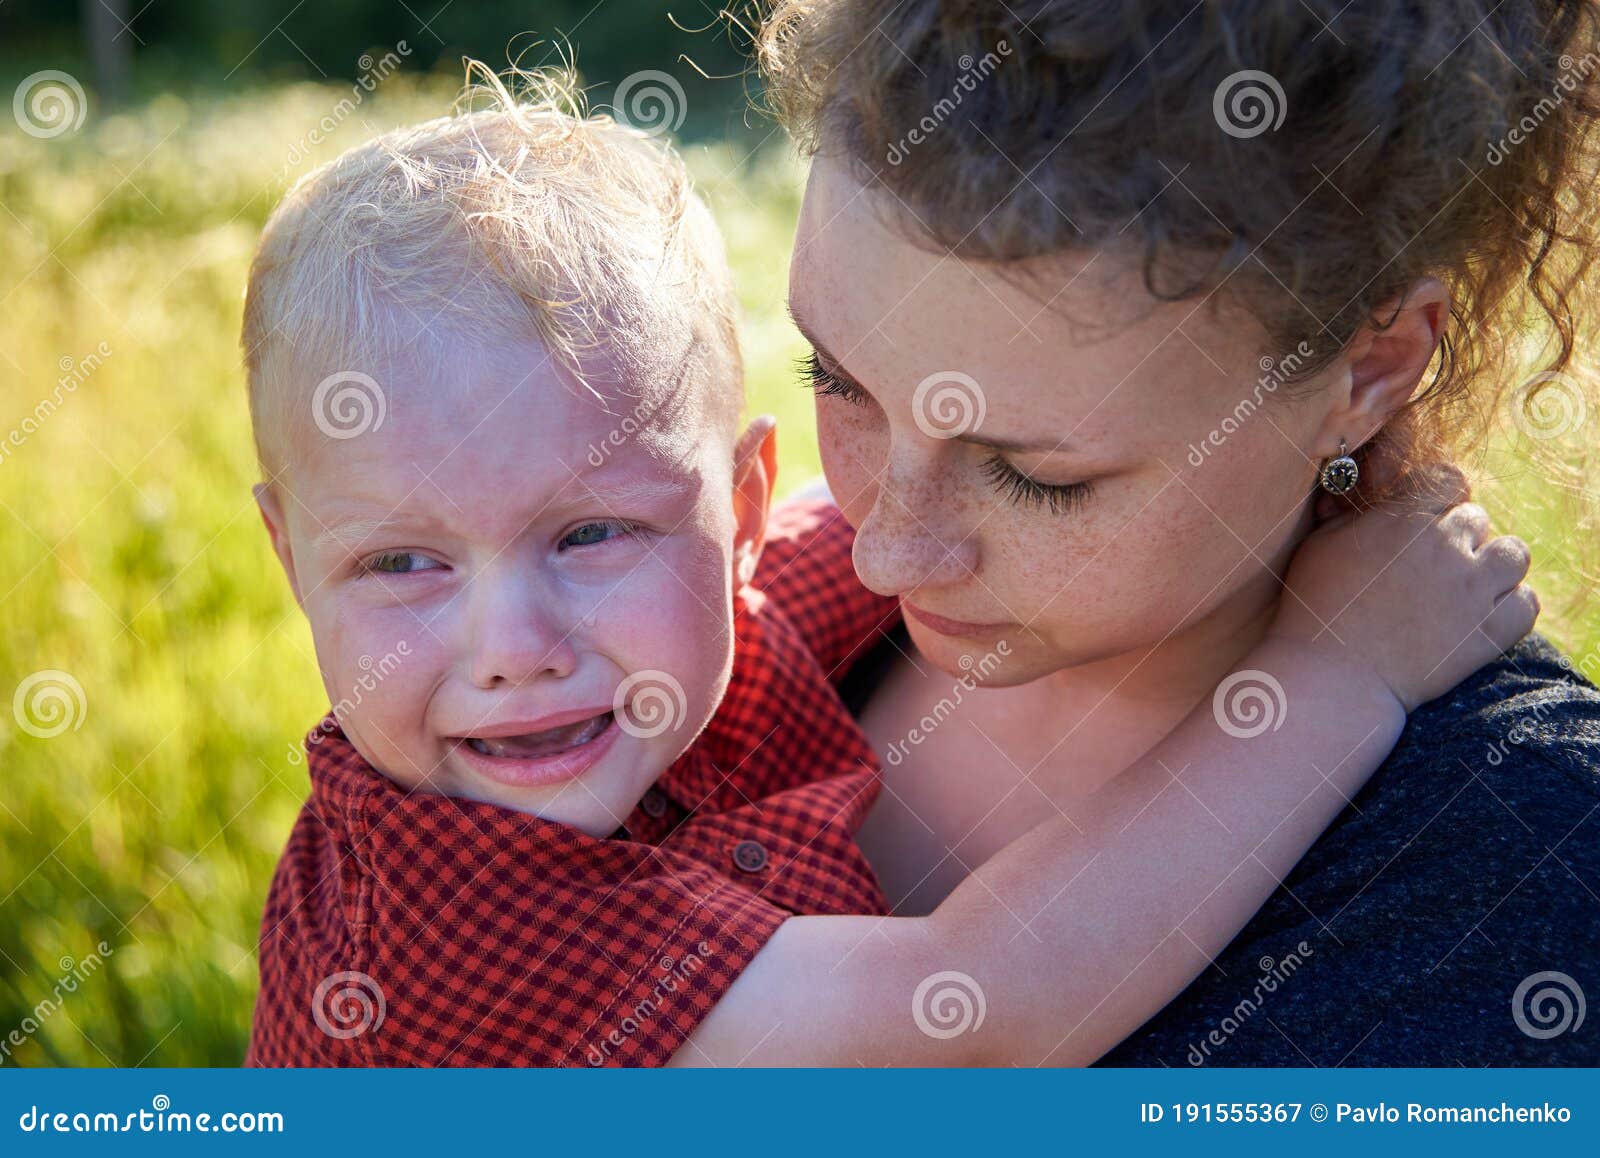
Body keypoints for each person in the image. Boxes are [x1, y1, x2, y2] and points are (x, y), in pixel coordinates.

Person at [240, 73, 1532, 1066]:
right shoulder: (434, 910)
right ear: (291, 561)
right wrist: (1335, 669)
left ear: (738, 508)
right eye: (403, 562)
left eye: (589, 534)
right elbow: (983, 1015)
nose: (512, 639)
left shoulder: (733, 614)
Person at [757, 0, 1600, 1063]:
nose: (883, 549)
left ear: (1369, 368)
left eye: (1035, 475)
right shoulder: (674, 652)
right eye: (835, 380)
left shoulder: (1517, 868)